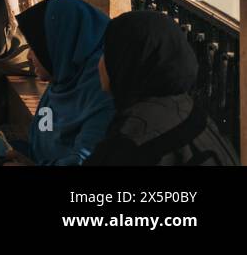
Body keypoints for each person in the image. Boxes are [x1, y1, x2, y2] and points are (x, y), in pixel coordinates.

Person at [0, 0, 114, 166]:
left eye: (35, 47)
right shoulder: (60, 87)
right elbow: (38, 151)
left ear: (61, 44)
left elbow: (84, 161)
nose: (29, 56)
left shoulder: (101, 100)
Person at [85, 11, 239, 165]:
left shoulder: (131, 144)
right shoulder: (188, 111)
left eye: (107, 52)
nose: (100, 62)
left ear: (128, 61)